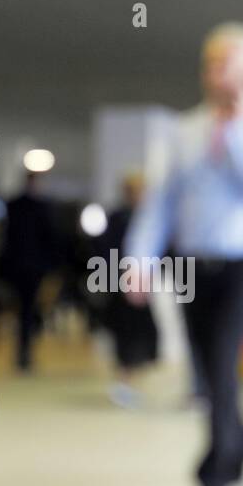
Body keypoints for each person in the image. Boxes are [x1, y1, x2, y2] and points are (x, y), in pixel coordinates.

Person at [124, 22, 243, 486]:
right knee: (206, 363)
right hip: (193, 260)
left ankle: (215, 469)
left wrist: (238, 132)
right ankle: (240, 439)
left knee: (223, 356)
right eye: (211, 62)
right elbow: (160, 201)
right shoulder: (183, 131)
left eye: (226, 61)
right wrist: (139, 259)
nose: (215, 71)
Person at [98, 174, 159, 408]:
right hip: (120, 285)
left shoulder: (147, 217)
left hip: (140, 285)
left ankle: (130, 381)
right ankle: (125, 382)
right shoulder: (118, 218)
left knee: (143, 335)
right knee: (126, 336)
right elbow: (106, 251)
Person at [0, 172, 61, 372]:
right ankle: (25, 350)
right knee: (27, 309)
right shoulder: (40, 207)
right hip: (30, 268)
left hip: (22, 267)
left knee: (26, 310)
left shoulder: (15, 206)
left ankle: (24, 350)